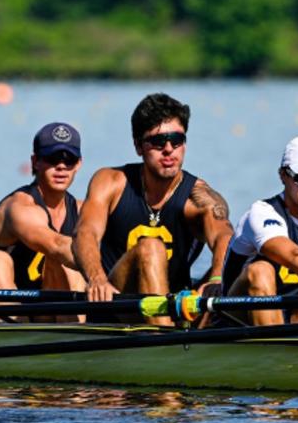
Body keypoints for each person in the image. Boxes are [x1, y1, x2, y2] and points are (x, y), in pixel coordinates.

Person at [74, 93, 233, 325]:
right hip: (117, 305)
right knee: (150, 247)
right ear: (138, 146)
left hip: (178, 308)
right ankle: (165, 337)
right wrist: (96, 278)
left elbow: (224, 237)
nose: (168, 149)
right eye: (158, 141)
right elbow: (84, 233)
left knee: (245, 262)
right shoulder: (110, 182)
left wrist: (217, 278)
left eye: (176, 140)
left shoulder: (199, 196)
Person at [221, 135, 298, 325]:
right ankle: (275, 342)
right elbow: (297, 257)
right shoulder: (261, 213)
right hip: (237, 316)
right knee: (261, 271)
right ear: (283, 175)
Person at [0, 122, 85, 295]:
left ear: (78, 164)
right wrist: (98, 269)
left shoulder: (83, 211)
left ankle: (75, 313)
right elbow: (56, 244)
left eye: (69, 159)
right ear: (35, 161)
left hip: (43, 303)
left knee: (70, 261)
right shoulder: (19, 207)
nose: (61, 166)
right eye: (53, 158)